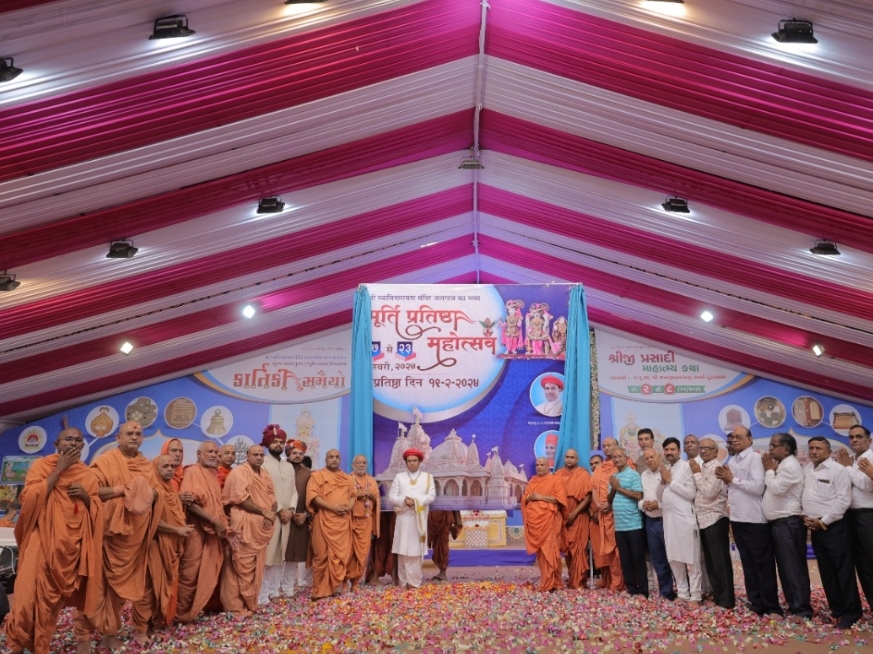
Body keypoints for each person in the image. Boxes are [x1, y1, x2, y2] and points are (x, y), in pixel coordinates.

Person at [6, 428, 103, 654]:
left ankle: (39, 645)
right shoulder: (42, 466)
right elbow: (28, 499)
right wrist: (59, 470)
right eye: (68, 439)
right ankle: (17, 646)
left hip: (69, 546)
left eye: (78, 440)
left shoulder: (87, 475)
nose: (74, 443)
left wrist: (86, 497)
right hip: (41, 540)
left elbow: (97, 511)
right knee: (25, 599)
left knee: (49, 604)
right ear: (57, 443)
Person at [73, 421, 160, 652]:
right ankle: (82, 638)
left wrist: (148, 492)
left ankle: (109, 635)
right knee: (95, 586)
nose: (134, 436)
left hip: (134, 538)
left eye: (138, 433)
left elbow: (153, 494)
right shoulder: (106, 460)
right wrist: (122, 490)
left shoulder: (146, 465)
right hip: (107, 536)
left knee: (120, 592)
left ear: (142, 438)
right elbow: (91, 492)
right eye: (129, 433)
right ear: (118, 437)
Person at [716, 426, 781, 617]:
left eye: (739, 437)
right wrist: (726, 480)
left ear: (750, 440)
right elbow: (734, 489)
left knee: (763, 565)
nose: (734, 440)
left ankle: (772, 606)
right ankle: (756, 604)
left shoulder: (755, 458)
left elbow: (758, 487)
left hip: (755, 520)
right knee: (748, 565)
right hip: (737, 518)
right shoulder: (733, 460)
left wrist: (732, 478)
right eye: (733, 437)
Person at [131, 455, 193, 643]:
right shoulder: (151, 490)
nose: (170, 469)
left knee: (161, 588)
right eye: (165, 466)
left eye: (173, 466)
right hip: (155, 546)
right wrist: (176, 529)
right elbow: (150, 521)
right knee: (149, 589)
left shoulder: (171, 490)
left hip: (171, 548)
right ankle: (140, 631)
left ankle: (152, 627)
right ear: (155, 468)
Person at [802, 436, 861, 629]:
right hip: (815, 528)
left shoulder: (839, 470)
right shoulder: (807, 469)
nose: (814, 451)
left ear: (828, 452)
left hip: (834, 527)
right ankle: (837, 610)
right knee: (827, 571)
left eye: (818, 448)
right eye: (811, 448)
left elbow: (843, 501)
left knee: (842, 571)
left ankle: (852, 612)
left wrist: (823, 521)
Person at [221, 445, 277, 617]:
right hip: (244, 526)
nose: (259, 457)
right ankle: (235, 607)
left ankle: (249, 604)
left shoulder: (265, 474)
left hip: (260, 529)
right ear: (247, 455)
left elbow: (272, 498)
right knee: (238, 567)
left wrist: (270, 516)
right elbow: (240, 498)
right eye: (255, 454)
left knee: (256, 567)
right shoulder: (239, 472)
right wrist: (264, 513)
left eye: (261, 455)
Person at [176, 441, 229, 623]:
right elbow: (191, 504)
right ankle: (180, 616)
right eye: (210, 452)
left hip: (212, 532)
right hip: (196, 530)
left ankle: (193, 612)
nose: (214, 455)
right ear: (199, 454)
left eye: (216, 452)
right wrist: (214, 521)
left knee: (204, 573)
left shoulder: (211, 475)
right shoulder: (192, 472)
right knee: (189, 574)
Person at [761, 433, 811, 619]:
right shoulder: (782, 465)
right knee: (785, 568)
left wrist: (768, 470)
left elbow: (776, 488)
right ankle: (795, 606)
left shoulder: (790, 466)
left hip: (788, 523)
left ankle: (802, 610)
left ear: (787, 449)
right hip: (780, 524)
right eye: (770, 445)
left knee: (793, 568)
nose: (770, 449)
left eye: (774, 446)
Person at [689, 437, 734, 609]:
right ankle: (717, 598)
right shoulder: (702, 467)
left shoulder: (717, 467)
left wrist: (696, 473)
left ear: (716, 451)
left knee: (720, 562)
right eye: (701, 448)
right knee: (711, 562)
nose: (703, 450)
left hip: (715, 518)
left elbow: (709, 492)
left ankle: (727, 601)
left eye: (707, 448)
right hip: (703, 519)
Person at [307, 449, 355, 599]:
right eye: (331, 457)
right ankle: (318, 591)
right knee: (320, 555)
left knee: (340, 557)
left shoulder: (348, 478)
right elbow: (313, 496)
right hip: (323, 519)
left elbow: (353, 496)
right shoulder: (317, 476)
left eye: (337, 457)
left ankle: (332, 588)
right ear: (326, 459)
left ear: (340, 460)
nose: (334, 459)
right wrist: (332, 507)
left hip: (342, 522)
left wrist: (349, 506)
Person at [259, 425, 298, 604]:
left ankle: (274, 591)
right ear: (267, 443)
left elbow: (294, 491)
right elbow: (265, 491)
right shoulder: (263, 464)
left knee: (280, 556)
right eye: (274, 441)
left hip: (286, 518)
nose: (278, 445)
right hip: (270, 516)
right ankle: (262, 593)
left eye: (281, 442)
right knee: (267, 556)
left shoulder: (288, 466)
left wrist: (291, 509)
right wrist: (279, 509)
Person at [660, 438, 701, 605]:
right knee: (674, 558)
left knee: (691, 559)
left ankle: (696, 596)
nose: (669, 452)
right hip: (669, 521)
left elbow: (690, 493)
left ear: (679, 451)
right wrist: (663, 481)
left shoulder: (686, 467)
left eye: (672, 449)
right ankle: (683, 593)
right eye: (666, 449)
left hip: (685, 519)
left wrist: (670, 481)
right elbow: (659, 496)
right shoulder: (667, 469)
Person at [836, 424, 873, 611]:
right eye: (851, 437)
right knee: (862, 565)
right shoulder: (850, 459)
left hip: (868, 516)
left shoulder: (870, 458)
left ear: (869, 440)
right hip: (851, 516)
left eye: (859, 436)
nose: (854, 440)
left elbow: (867, 486)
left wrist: (849, 469)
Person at [389, 448, 436, 589]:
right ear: (405, 462)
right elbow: (392, 497)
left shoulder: (428, 477)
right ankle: (403, 582)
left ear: (420, 461)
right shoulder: (399, 477)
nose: (412, 464)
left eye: (415, 461)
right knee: (402, 550)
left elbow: (432, 496)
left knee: (416, 552)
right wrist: (404, 501)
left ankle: (414, 582)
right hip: (403, 519)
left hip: (419, 519)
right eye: (409, 461)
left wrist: (415, 501)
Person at [522, 457, 568, 592]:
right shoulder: (532, 481)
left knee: (551, 552)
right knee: (542, 555)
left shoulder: (555, 480)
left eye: (542, 465)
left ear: (548, 466)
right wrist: (528, 498)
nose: (539, 467)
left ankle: (553, 582)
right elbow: (526, 497)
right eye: (537, 465)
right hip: (536, 522)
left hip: (549, 521)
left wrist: (540, 497)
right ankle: (547, 580)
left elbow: (560, 499)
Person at [608, 447, 646, 596]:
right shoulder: (613, 476)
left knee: (638, 559)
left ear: (626, 458)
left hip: (634, 524)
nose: (616, 459)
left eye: (619, 456)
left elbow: (638, 495)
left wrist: (619, 488)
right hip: (619, 526)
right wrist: (613, 488)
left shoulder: (633, 474)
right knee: (625, 559)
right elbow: (609, 500)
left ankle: (643, 591)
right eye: (614, 457)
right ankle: (631, 589)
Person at [638, 447, 674, 601]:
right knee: (657, 559)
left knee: (674, 558)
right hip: (650, 522)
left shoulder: (668, 473)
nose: (650, 460)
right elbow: (640, 497)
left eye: (652, 457)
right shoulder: (643, 476)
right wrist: (643, 505)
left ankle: (684, 592)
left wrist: (657, 505)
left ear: (659, 456)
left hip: (666, 519)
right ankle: (665, 592)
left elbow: (674, 497)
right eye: (647, 458)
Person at [590, 437, 625, 591]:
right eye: (604, 446)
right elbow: (594, 489)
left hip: (619, 512)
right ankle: (612, 581)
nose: (606, 448)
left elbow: (625, 488)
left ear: (617, 446)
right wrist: (598, 505)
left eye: (609, 445)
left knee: (619, 549)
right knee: (609, 550)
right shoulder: (600, 468)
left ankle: (623, 582)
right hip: (603, 514)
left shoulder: (623, 465)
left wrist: (610, 505)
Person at [555, 448, 591, 589]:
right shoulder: (558, 475)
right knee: (568, 550)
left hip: (579, 516)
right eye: (567, 457)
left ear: (577, 460)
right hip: (563, 517)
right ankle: (572, 577)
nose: (569, 459)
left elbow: (588, 497)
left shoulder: (583, 474)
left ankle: (579, 581)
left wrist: (574, 513)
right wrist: (564, 515)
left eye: (572, 457)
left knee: (579, 550)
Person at [347, 454, 380, 590]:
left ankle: (355, 583)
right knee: (348, 552)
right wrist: (357, 495)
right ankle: (345, 581)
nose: (361, 465)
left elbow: (377, 500)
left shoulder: (371, 481)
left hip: (366, 521)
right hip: (350, 521)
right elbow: (342, 498)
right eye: (358, 462)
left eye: (364, 462)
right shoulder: (347, 480)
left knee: (362, 553)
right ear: (352, 465)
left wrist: (371, 496)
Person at [285, 439, 313, 594]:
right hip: (280, 517)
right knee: (276, 556)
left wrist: (305, 515)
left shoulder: (308, 474)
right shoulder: (281, 470)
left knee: (294, 555)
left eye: (300, 453)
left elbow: (312, 498)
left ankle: (288, 588)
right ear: (288, 453)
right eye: (294, 453)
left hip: (299, 520)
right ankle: (271, 589)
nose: (297, 456)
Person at [427, 509, 461, 582]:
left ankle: (443, 572)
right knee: (436, 544)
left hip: (445, 515)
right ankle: (441, 572)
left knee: (443, 545)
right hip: (433, 515)